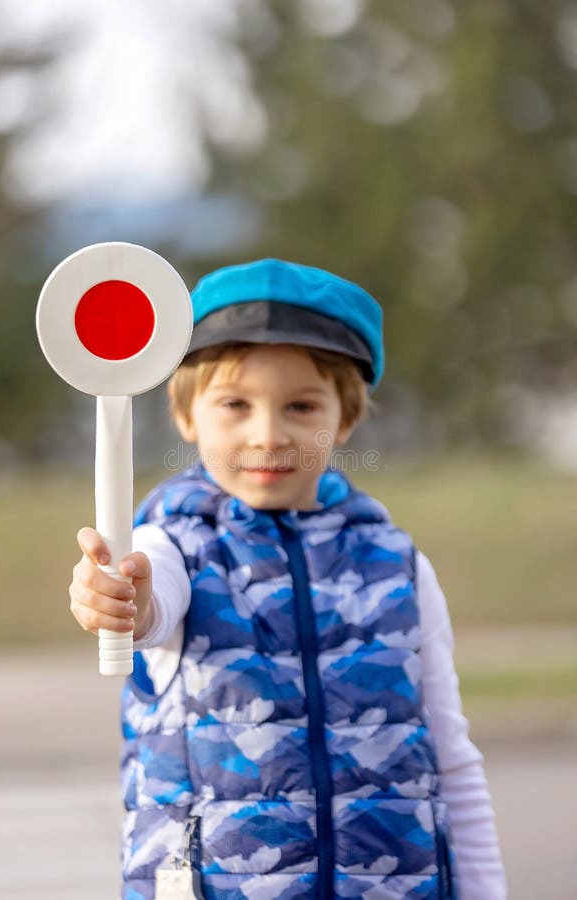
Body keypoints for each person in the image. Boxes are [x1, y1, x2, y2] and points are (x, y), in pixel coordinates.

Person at [69, 259, 506, 900]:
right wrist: (119, 601)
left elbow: (450, 758)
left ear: (347, 417)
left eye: (301, 406)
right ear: (187, 418)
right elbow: (149, 603)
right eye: (235, 405)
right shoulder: (171, 549)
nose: (268, 434)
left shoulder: (398, 565)